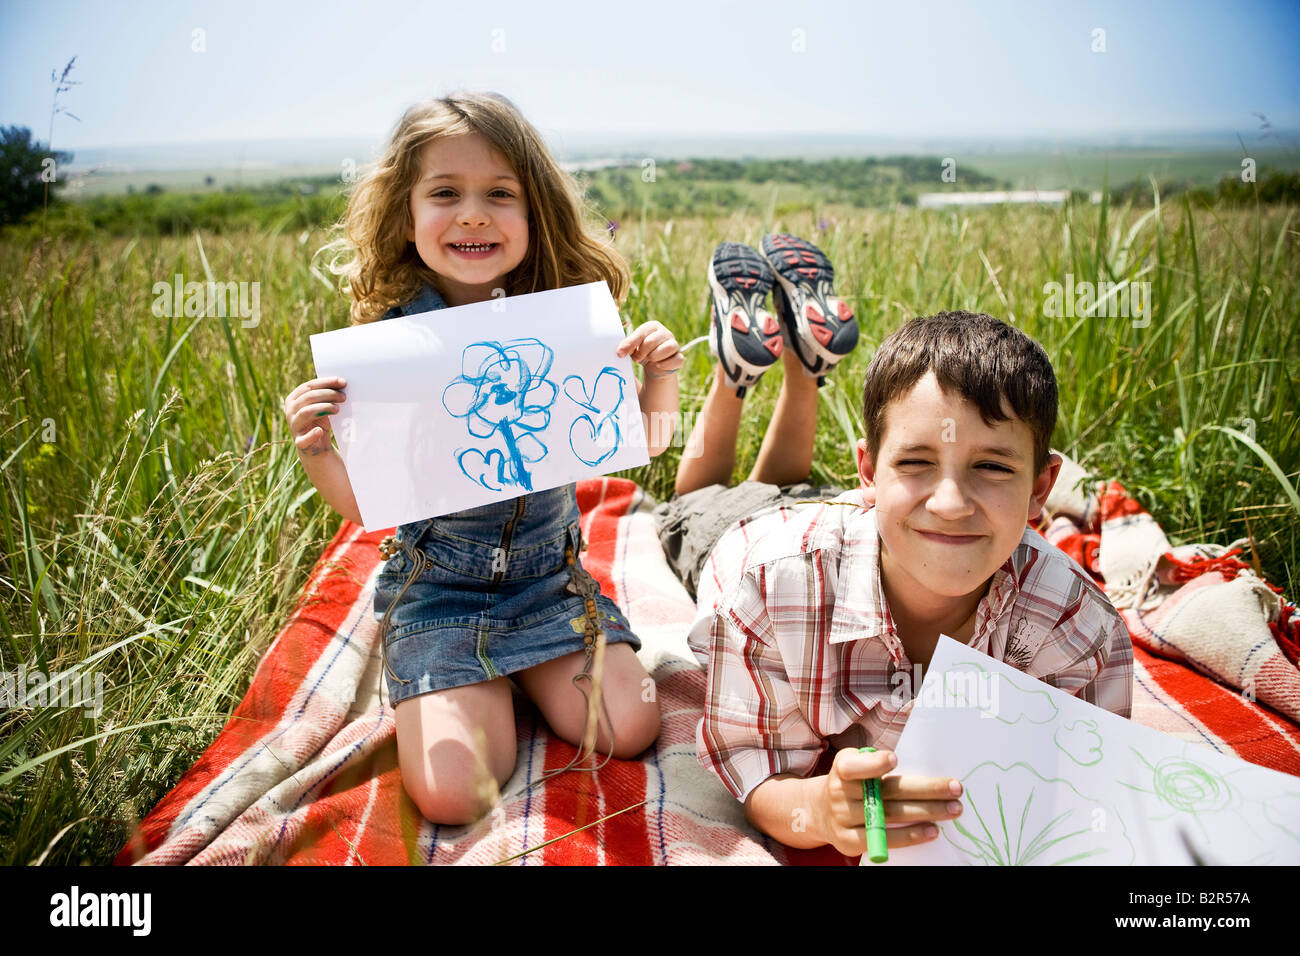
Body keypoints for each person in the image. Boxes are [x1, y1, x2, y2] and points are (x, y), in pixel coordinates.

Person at [283, 92, 681, 826]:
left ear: (536, 214)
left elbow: (644, 443)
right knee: (458, 793)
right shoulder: (391, 345)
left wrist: (661, 378)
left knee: (632, 727)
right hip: (443, 595)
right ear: (407, 217)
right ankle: (478, 679)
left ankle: (530, 670)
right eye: (445, 194)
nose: (472, 214)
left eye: (499, 194)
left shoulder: (566, 321)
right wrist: (317, 451)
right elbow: (370, 506)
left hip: (549, 583)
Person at [654, 259, 1134, 857]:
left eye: (992, 466)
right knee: (691, 498)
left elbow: (1084, 798)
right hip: (738, 531)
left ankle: (807, 368)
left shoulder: (1077, 630)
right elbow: (756, 772)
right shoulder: (771, 587)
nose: (952, 503)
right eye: (915, 462)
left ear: (1041, 488)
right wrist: (818, 812)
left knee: (790, 482)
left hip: (865, 525)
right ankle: (738, 374)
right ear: (868, 471)